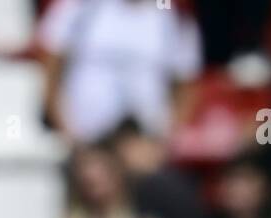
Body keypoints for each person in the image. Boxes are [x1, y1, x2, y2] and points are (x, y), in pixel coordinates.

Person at [38, 0, 203, 143]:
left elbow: (185, 86)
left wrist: (164, 140)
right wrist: (65, 130)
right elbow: (50, 70)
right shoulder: (79, 6)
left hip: (145, 142)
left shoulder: (172, 14)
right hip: (83, 138)